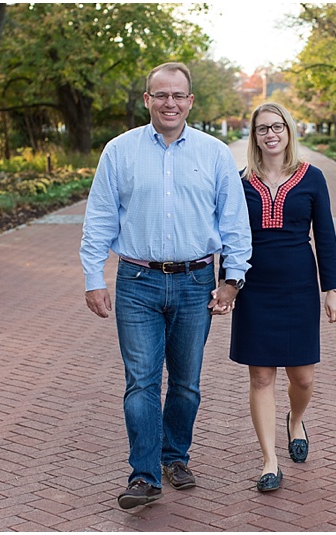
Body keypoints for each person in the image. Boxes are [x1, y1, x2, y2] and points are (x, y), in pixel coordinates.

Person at [80, 62, 252, 509]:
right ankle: (144, 476)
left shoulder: (215, 154)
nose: (170, 103)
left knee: (186, 383)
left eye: (178, 95)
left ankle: (175, 457)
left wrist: (232, 279)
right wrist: (93, 277)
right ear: (147, 100)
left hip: (196, 281)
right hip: (137, 281)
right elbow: (99, 218)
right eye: (161, 95)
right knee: (141, 382)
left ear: (190, 101)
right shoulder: (119, 152)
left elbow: (235, 222)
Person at [225, 102, 336, 492]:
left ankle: (295, 419)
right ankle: (269, 461)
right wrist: (228, 284)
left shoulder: (313, 179)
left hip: (298, 285)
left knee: (303, 378)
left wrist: (333, 290)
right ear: (254, 136)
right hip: (255, 287)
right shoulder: (240, 182)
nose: (270, 134)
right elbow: (230, 240)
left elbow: (325, 236)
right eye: (262, 129)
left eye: (277, 127)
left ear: (289, 131)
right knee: (260, 375)